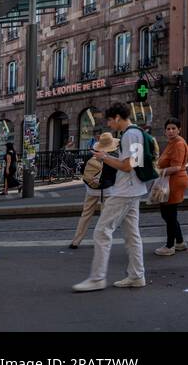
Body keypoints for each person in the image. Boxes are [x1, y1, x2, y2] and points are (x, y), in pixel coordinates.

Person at [74, 102, 148, 291]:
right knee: (132, 235)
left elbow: (127, 166)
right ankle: (137, 275)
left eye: (109, 120)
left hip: (124, 190)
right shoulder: (136, 132)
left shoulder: (129, 135)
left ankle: (98, 278)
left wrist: (104, 157)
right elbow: (135, 163)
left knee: (101, 232)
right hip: (134, 189)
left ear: (117, 117)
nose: (109, 124)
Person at [70, 133, 117, 249]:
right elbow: (115, 176)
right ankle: (100, 240)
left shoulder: (91, 155)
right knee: (105, 217)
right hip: (107, 191)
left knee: (85, 215)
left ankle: (76, 241)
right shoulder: (112, 157)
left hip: (91, 190)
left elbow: (83, 171)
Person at [154, 118, 188, 256]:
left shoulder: (178, 144)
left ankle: (169, 246)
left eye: (174, 128)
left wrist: (158, 172)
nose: (170, 131)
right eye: (168, 129)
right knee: (168, 214)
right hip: (170, 180)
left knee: (169, 214)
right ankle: (179, 242)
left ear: (179, 130)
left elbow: (176, 167)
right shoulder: (172, 143)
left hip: (174, 181)